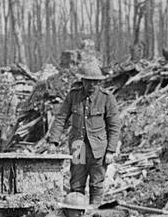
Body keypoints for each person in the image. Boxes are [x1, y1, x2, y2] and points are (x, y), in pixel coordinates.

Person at [50, 57, 122, 205]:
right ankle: (76, 216)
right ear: (82, 80)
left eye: (95, 82)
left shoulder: (106, 98)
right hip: (78, 146)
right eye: (89, 81)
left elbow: (114, 126)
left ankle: (93, 216)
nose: (92, 85)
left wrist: (110, 151)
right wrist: (53, 141)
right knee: (76, 184)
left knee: (96, 184)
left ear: (100, 82)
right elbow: (60, 118)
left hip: (99, 149)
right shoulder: (74, 96)